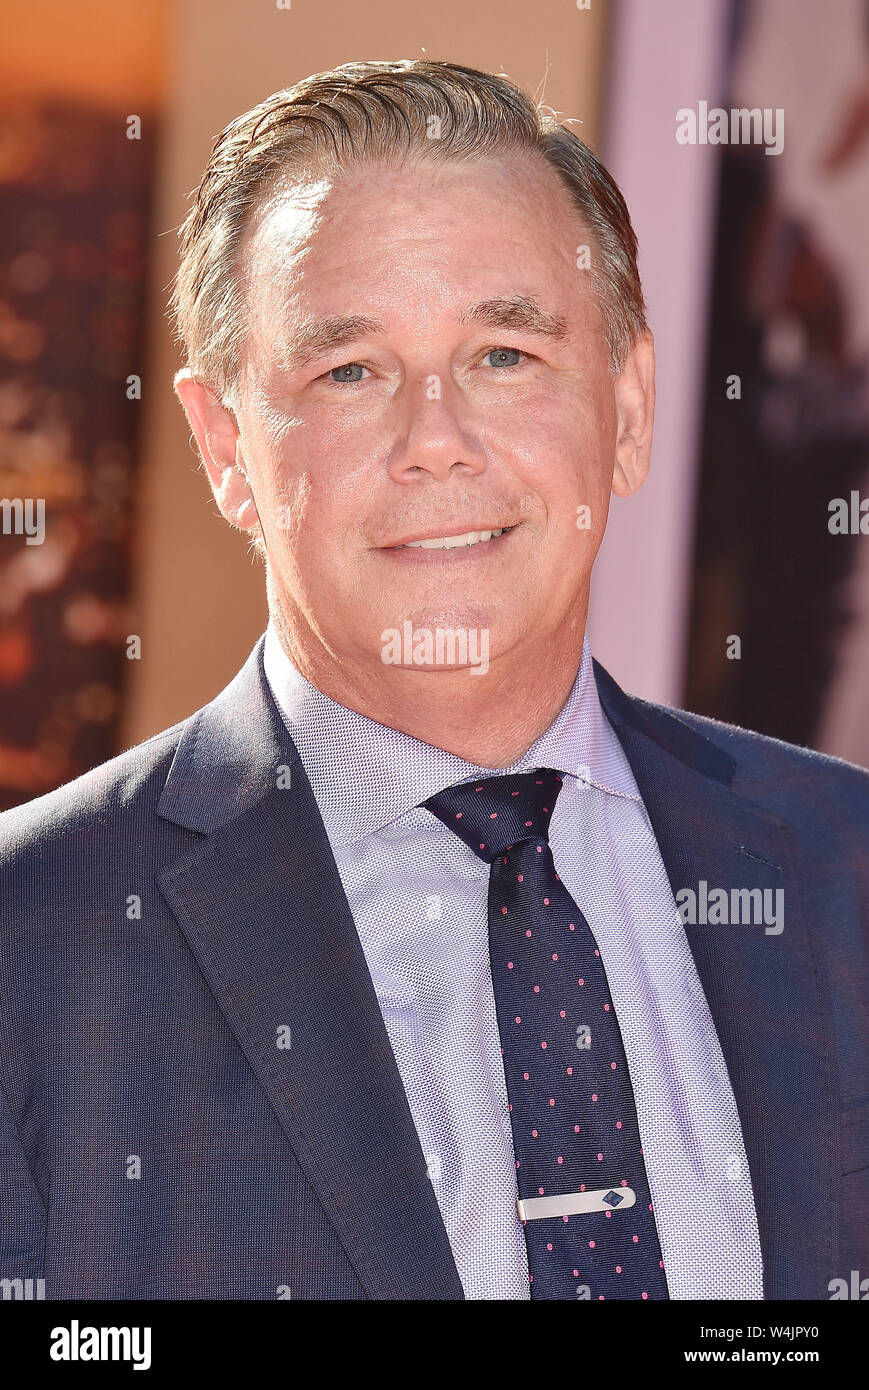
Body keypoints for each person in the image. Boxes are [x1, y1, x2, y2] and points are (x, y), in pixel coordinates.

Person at [1, 59, 866, 1302]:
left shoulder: (842, 870)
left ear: (625, 408)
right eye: (348, 372)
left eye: (505, 354)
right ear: (225, 448)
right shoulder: (28, 950)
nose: (435, 438)